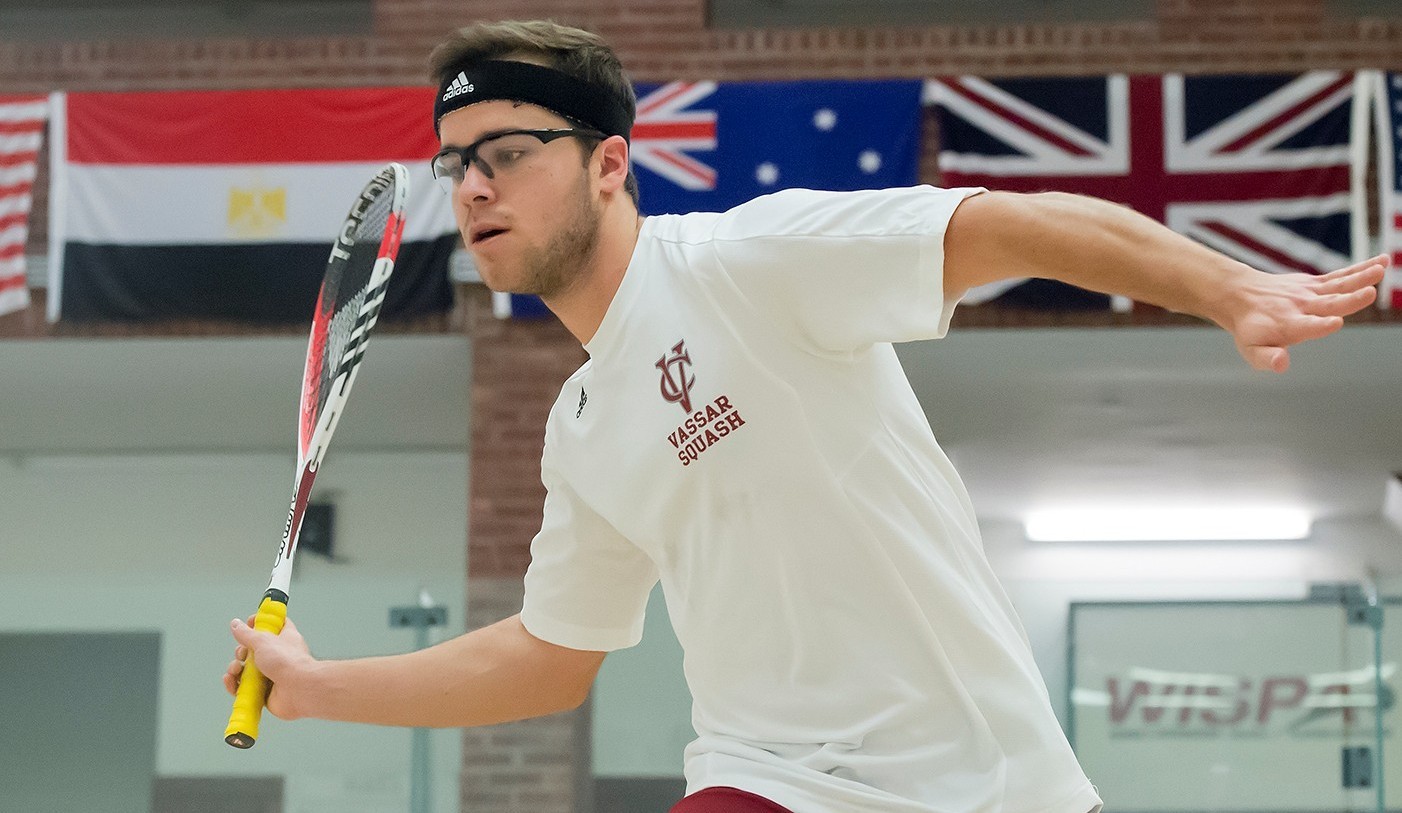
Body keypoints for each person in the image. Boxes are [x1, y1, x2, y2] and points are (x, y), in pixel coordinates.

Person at [224, 19, 1388, 813]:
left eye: (510, 152)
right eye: (453, 164)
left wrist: (1228, 286)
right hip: (768, 780)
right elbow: (548, 657)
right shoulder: (581, 425)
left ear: (611, 166)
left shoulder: (752, 258)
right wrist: (324, 688)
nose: (472, 186)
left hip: (983, 784)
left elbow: (1006, 221)